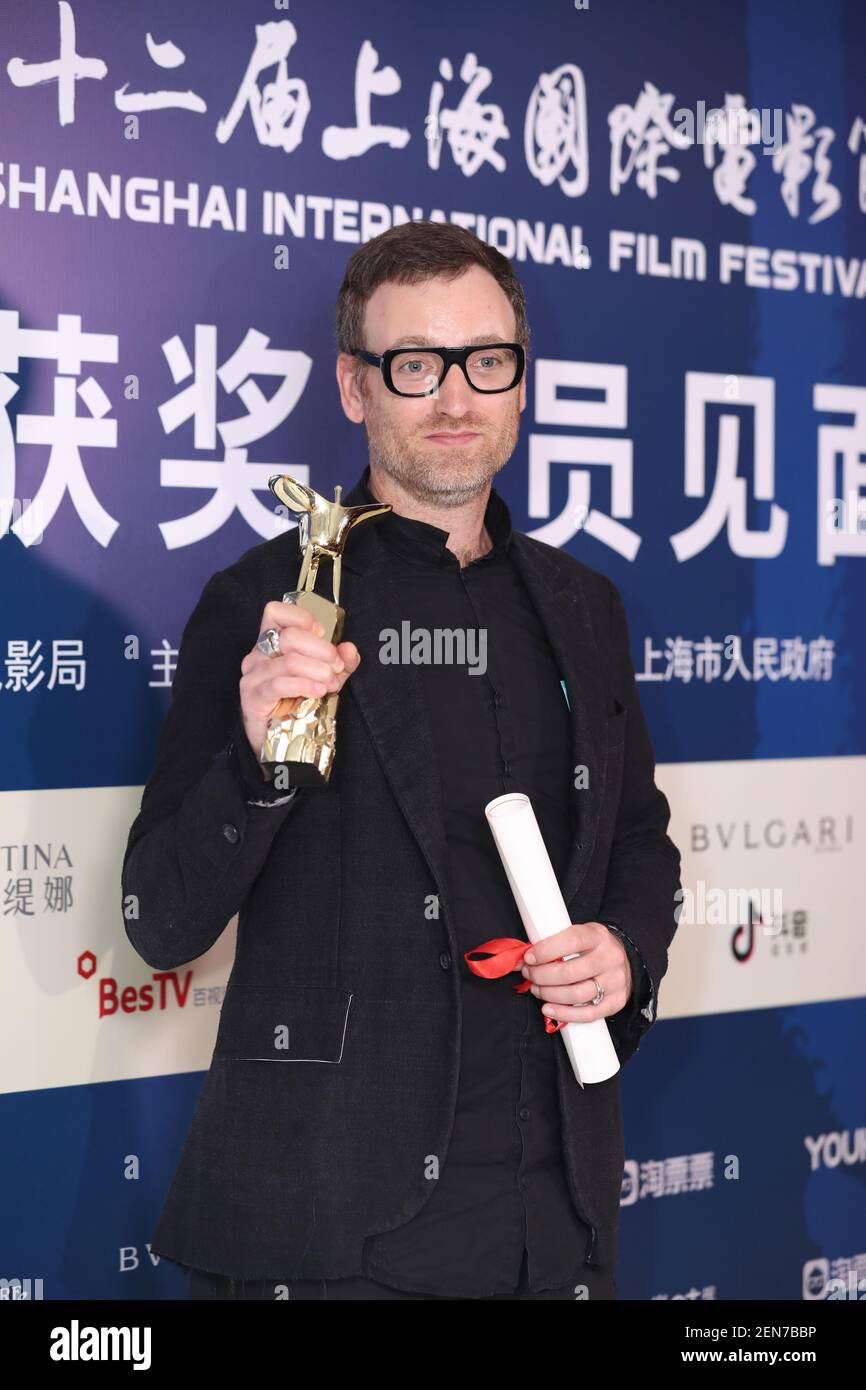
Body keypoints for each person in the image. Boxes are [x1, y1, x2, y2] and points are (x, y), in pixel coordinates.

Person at [121, 219, 681, 1302]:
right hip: (333, 1233)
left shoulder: (582, 607)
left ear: (521, 383)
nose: (455, 398)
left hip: (550, 1217)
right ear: (352, 384)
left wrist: (625, 952)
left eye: (486, 361)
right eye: (414, 365)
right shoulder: (264, 606)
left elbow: (638, 836)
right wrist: (255, 755)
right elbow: (159, 921)